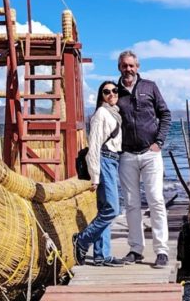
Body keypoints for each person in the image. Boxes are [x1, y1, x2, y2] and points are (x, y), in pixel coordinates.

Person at [115, 50, 171, 269]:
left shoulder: (150, 87)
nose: (128, 69)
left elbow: (165, 114)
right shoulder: (113, 91)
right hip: (127, 155)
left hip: (150, 153)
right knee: (131, 204)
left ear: (137, 67)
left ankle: (162, 251)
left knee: (156, 199)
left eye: (131, 65)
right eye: (124, 65)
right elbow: (104, 118)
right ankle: (136, 250)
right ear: (119, 67)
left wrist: (159, 142)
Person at [72, 81, 125, 267]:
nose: (112, 94)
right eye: (107, 91)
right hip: (104, 162)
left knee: (105, 210)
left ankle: (102, 255)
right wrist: (95, 176)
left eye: (114, 91)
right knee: (112, 209)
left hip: (112, 161)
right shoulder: (101, 113)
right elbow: (93, 146)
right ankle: (82, 240)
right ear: (101, 95)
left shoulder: (114, 113)